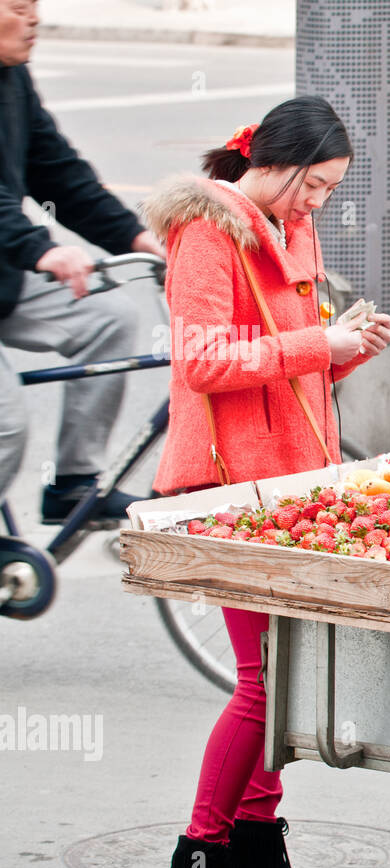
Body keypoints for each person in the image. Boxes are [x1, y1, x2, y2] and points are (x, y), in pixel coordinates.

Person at [141, 96, 390, 868]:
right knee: (260, 685)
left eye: (328, 190)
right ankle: (198, 859)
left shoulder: (294, 230)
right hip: (231, 492)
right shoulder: (207, 232)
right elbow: (203, 361)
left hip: (292, 486)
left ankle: (254, 844)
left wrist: (343, 349)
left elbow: (292, 369)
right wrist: (320, 345)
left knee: (283, 677)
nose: (318, 202)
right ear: (278, 165)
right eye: (315, 186)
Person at [0, 0, 166, 517]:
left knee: (110, 317)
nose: (34, 20)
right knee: (5, 423)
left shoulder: (13, 79)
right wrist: (41, 248)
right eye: (19, 6)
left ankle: (73, 483)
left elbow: (59, 173)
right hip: (14, 258)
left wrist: (140, 239)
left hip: (5, 275)